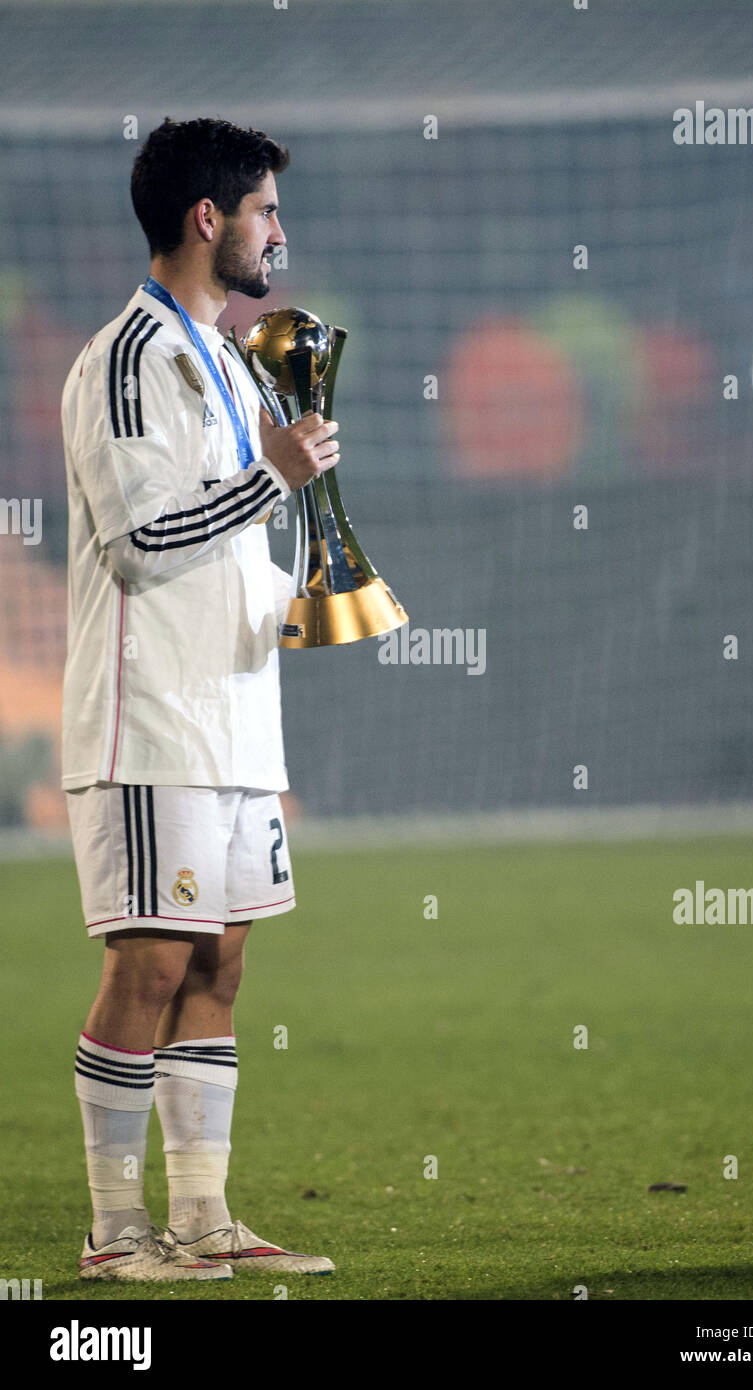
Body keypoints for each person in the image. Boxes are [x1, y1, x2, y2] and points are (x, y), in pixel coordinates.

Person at [61, 117, 339, 1282]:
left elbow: (221, 549)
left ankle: (204, 1218)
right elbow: (137, 543)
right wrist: (272, 477)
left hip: (233, 715)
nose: (281, 230)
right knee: (152, 964)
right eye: (267, 210)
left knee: (220, 963)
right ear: (208, 218)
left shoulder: (230, 358)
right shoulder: (128, 359)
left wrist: (313, 595)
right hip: (151, 719)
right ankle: (116, 1234)